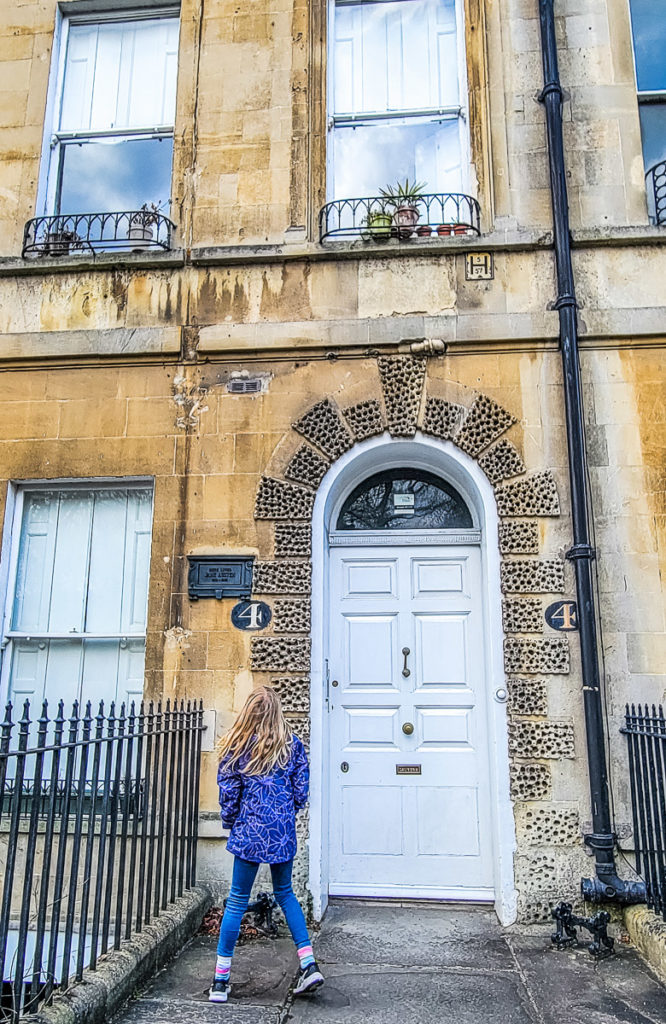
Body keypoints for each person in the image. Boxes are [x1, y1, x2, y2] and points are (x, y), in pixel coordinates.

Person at [210, 685, 324, 1003]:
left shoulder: (237, 747)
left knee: (235, 902)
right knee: (286, 895)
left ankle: (220, 982)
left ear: (248, 712)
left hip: (249, 832)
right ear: (277, 713)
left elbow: (229, 795)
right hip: (282, 833)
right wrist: (285, 814)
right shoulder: (292, 747)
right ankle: (308, 963)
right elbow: (301, 790)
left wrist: (232, 822)